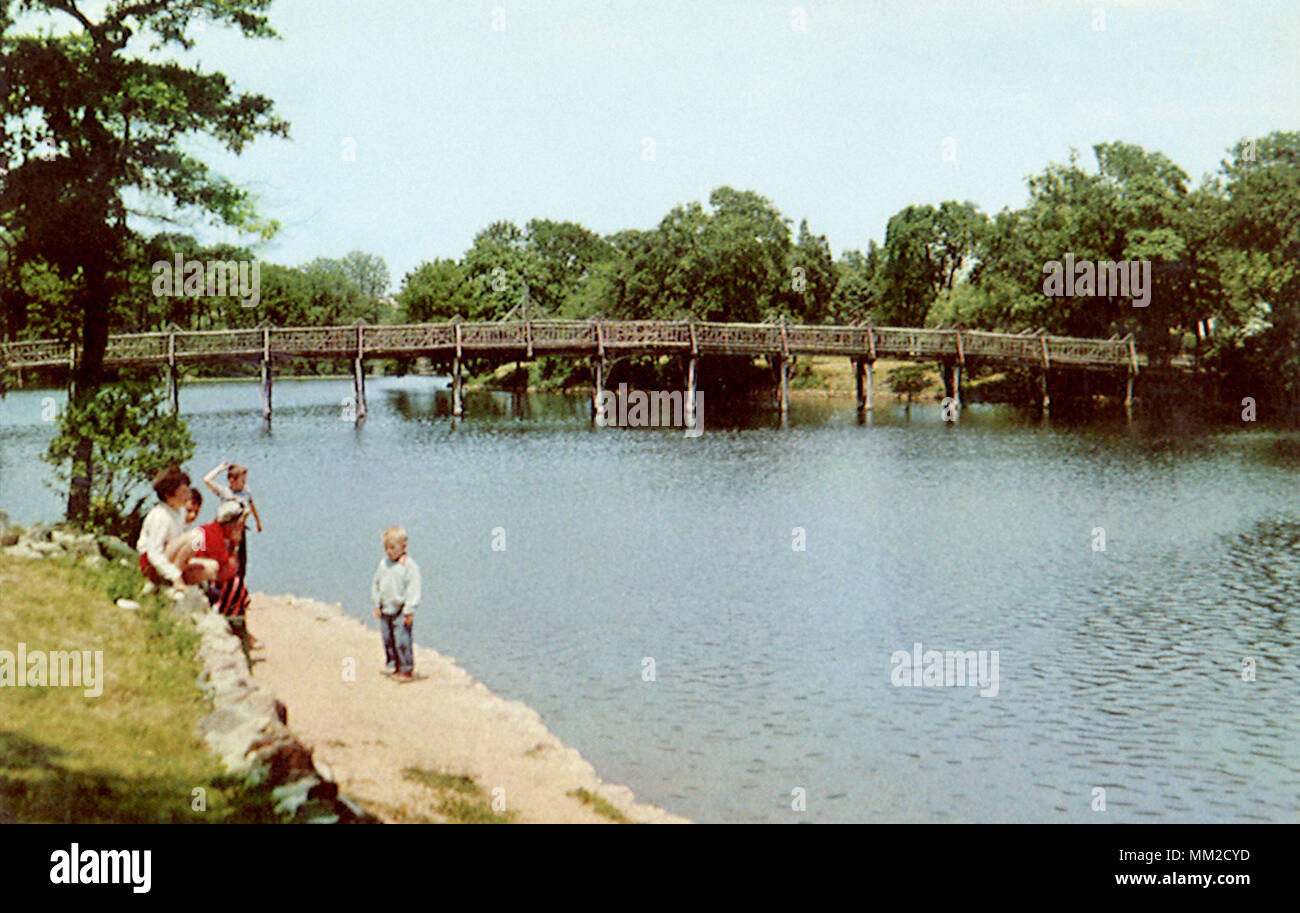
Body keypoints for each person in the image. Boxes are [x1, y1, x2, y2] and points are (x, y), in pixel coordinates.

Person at [371, 526, 421, 681]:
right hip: (386, 608)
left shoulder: (409, 567)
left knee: (402, 640)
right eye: (386, 548)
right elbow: (376, 583)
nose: (389, 551)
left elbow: (413, 588)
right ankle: (395, 664)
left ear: (403, 546)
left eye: (392, 548)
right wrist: (376, 603)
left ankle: (406, 669)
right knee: (388, 638)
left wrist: (409, 610)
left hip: (401, 610)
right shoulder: (384, 564)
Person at [137, 466, 193, 594]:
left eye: (188, 491)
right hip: (150, 563)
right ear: (168, 494)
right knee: (195, 537)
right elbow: (153, 553)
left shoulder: (180, 511)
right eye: (184, 492)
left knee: (210, 568)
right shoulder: (160, 516)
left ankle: (182, 582)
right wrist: (175, 575)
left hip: (170, 559)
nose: (189, 496)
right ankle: (173, 581)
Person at [202, 461, 262, 578]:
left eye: (245, 480)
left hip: (240, 530)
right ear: (232, 480)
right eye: (242, 480)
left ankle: (239, 583)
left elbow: (252, 506)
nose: (244, 483)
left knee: (242, 559)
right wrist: (220, 469)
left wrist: (257, 522)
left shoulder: (246, 491)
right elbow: (207, 480)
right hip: (227, 531)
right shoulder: (225, 492)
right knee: (227, 556)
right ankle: (226, 580)